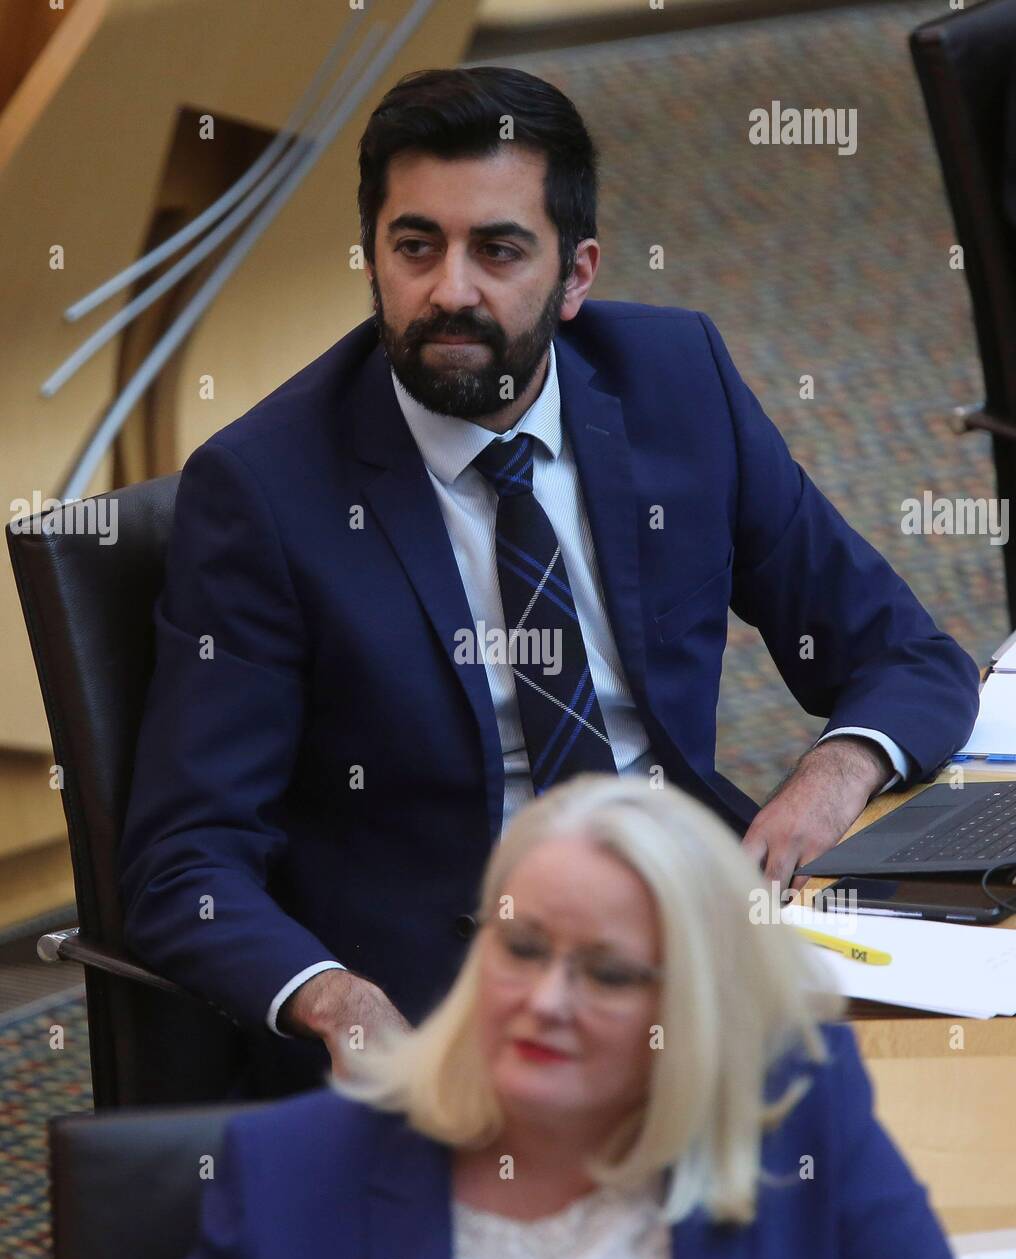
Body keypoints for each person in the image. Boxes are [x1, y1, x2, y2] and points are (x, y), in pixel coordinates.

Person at [118, 65, 979, 1098]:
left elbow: (901, 652)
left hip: (694, 925)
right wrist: (336, 1000)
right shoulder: (266, 491)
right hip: (452, 994)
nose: (449, 290)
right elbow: (186, 862)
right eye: (414, 246)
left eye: (497, 249)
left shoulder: (675, 382)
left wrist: (829, 776)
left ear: (575, 275)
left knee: (930, 1100)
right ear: (373, 260)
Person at [169, 775, 959, 1259]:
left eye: (610, 975)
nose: (546, 1002)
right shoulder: (290, 1172)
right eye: (522, 948)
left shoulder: (796, 1111)